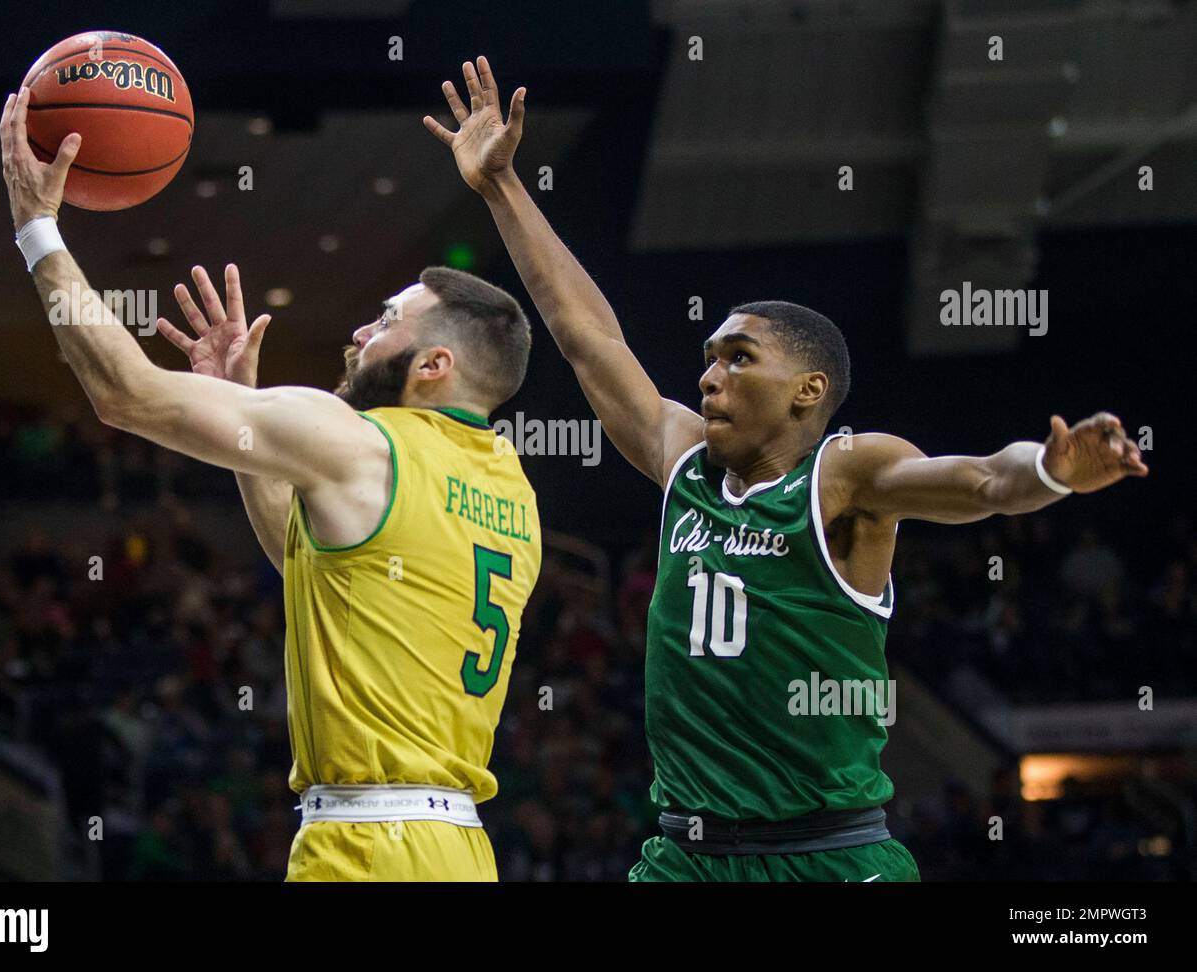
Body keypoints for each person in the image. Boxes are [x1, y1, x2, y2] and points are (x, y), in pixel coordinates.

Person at [425, 57, 1149, 882]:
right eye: (709, 359)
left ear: (808, 390)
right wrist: (501, 188)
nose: (709, 377)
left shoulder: (845, 475)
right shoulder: (685, 465)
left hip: (828, 856)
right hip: (685, 857)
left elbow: (985, 480)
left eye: (739, 359)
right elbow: (585, 333)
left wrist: (1052, 469)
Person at [0, 84, 541, 881]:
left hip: (371, 846)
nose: (361, 329)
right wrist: (251, 419)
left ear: (434, 366)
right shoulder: (509, 486)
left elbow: (126, 394)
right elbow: (320, 573)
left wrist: (36, 228)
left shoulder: (359, 439)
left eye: (387, 319)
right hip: (457, 847)